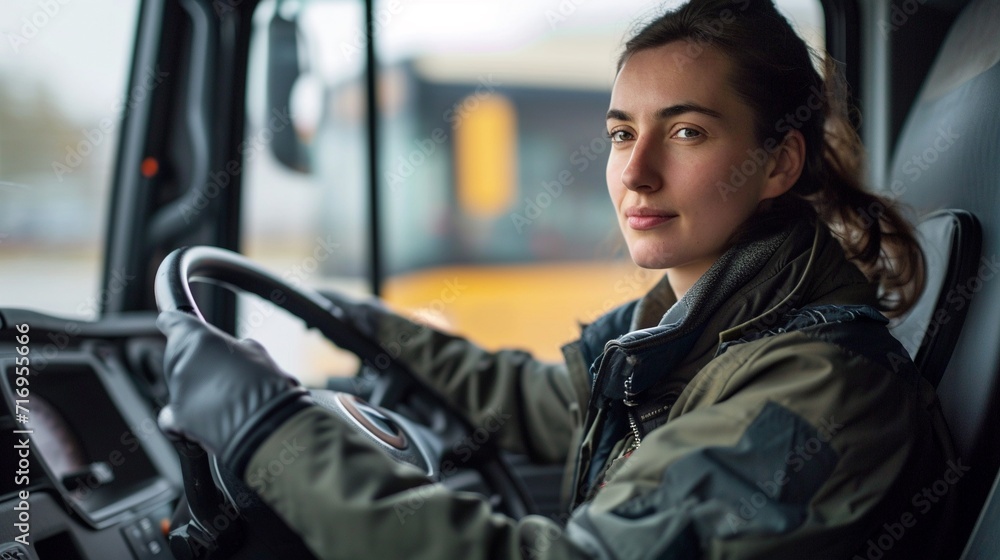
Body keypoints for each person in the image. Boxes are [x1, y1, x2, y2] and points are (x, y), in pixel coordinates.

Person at [156, 0, 956, 557]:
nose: (635, 175)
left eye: (685, 131)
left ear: (777, 161)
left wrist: (272, 433)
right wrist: (363, 325)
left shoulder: (817, 393)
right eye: (619, 134)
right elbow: (534, 403)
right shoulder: (690, 334)